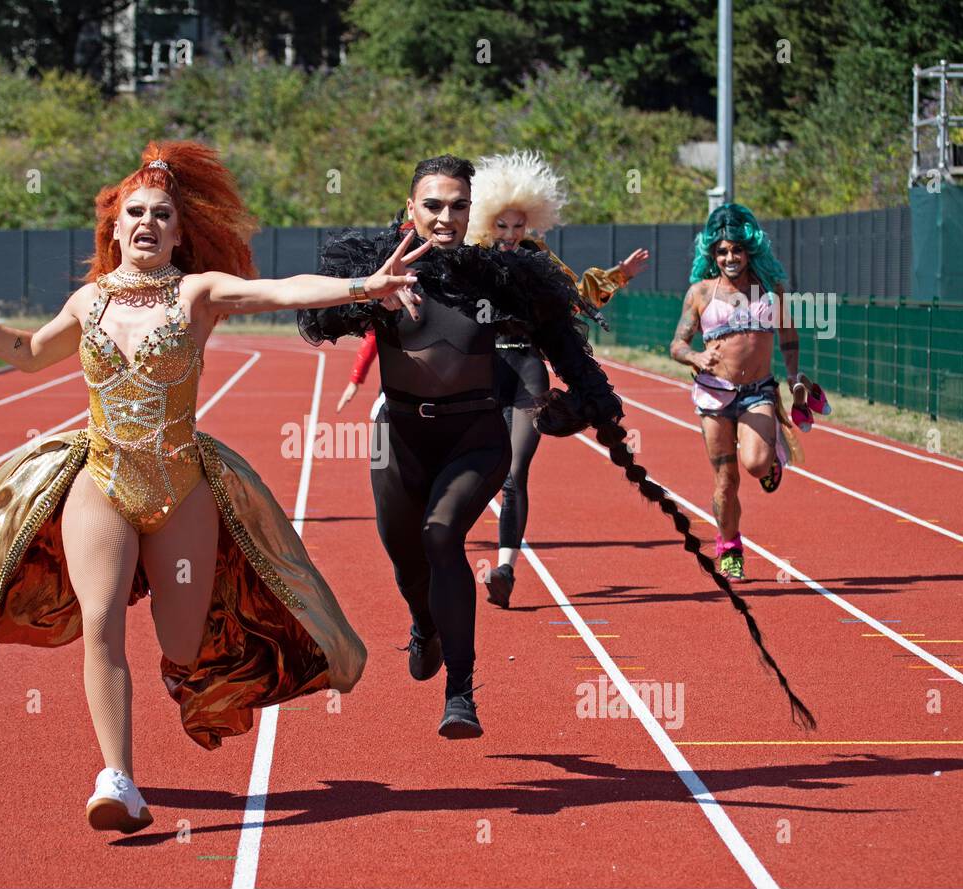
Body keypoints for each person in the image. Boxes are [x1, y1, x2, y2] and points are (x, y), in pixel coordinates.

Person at [0, 141, 422, 835]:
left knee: (183, 645)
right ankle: (118, 778)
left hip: (181, 484)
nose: (147, 224)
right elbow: (28, 355)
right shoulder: (88, 300)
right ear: (115, 226)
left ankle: (181, 668)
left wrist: (364, 288)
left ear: (180, 231)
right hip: (102, 478)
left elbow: (282, 291)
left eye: (161, 214)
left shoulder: (199, 294)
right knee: (101, 619)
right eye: (135, 213)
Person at [300, 155, 816, 736]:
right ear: (412, 205)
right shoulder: (376, 265)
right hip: (397, 436)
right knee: (404, 555)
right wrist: (372, 297)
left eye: (459, 206)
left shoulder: (502, 275)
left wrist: (596, 402)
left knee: (441, 536)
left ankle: (461, 695)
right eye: (433, 206)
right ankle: (424, 626)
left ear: (474, 208)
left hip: (475, 434)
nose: (446, 218)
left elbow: (565, 343)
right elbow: (315, 322)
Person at [464, 150, 650, 608]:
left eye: (519, 226)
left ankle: (505, 567)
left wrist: (619, 276)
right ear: (487, 222)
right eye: (502, 226)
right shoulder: (469, 262)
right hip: (480, 376)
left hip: (528, 371)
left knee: (515, 472)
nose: (510, 235)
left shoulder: (538, 259)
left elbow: (575, 296)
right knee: (472, 473)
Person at [669, 203, 817, 580]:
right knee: (725, 480)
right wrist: (696, 357)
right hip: (713, 394)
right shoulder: (700, 292)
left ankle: (771, 460)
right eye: (721, 251)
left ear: (750, 249)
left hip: (757, 393)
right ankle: (729, 547)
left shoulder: (771, 291)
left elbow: (788, 337)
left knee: (754, 464)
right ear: (712, 254)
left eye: (736, 249)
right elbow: (677, 344)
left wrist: (795, 376)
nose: (729, 257)